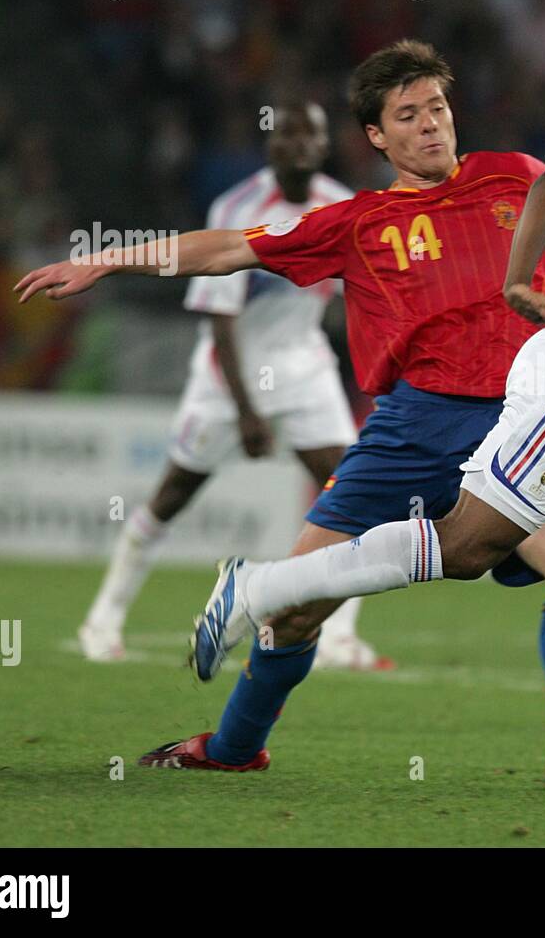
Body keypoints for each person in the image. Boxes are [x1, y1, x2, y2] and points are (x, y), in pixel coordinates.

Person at [21, 51, 545, 746]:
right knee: (334, 595)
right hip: (425, 421)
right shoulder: (357, 220)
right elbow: (231, 248)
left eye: (438, 108)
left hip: (537, 402)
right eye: (409, 115)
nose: (431, 124)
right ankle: (239, 714)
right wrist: (112, 260)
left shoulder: (509, 175)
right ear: (377, 137)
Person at [78, 101, 387, 672]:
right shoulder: (239, 206)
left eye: (308, 136)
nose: (295, 145)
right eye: (284, 135)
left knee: (357, 493)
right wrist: (248, 412)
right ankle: (102, 621)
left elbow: (363, 298)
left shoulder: (342, 206)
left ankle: (340, 637)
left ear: (324, 146)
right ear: (269, 145)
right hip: (227, 377)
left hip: (303, 370)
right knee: (172, 496)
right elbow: (220, 320)